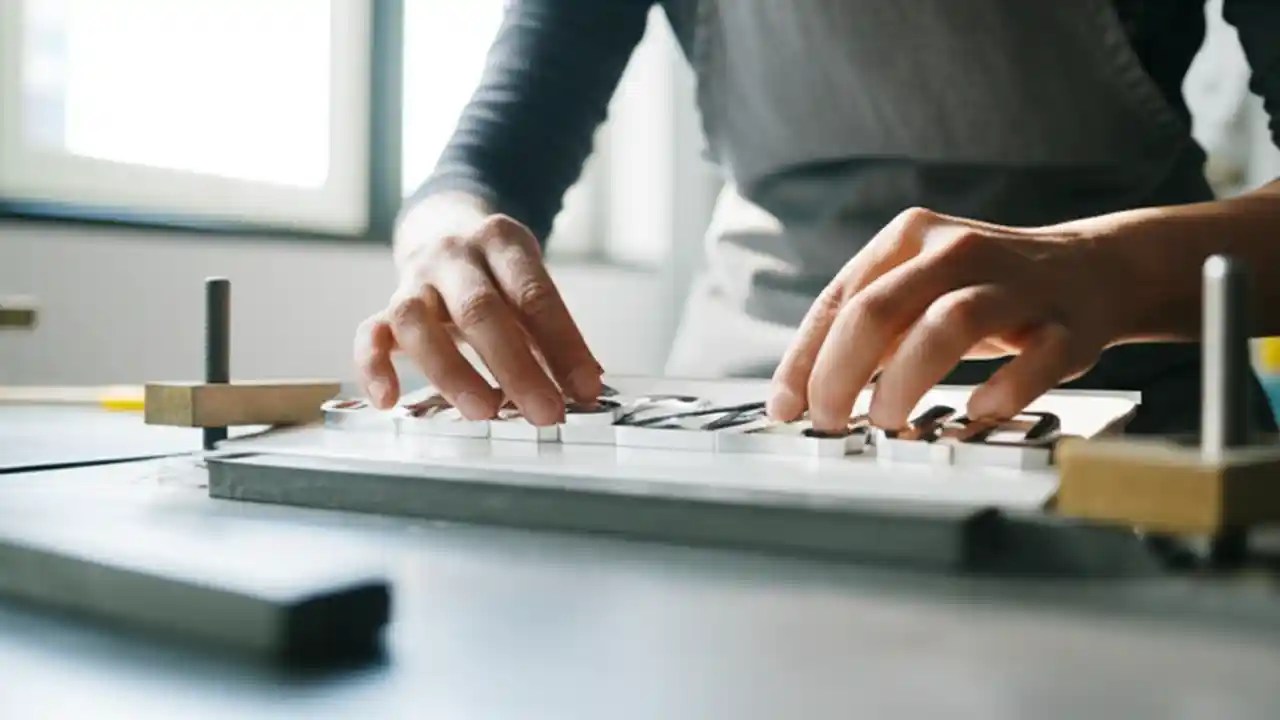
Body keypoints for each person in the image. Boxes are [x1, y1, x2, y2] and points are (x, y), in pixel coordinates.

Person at [355, 0, 1280, 436]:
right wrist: (447, 234)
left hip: (1141, 424)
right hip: (746, 418)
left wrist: (1103, 268)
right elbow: (494, 156)